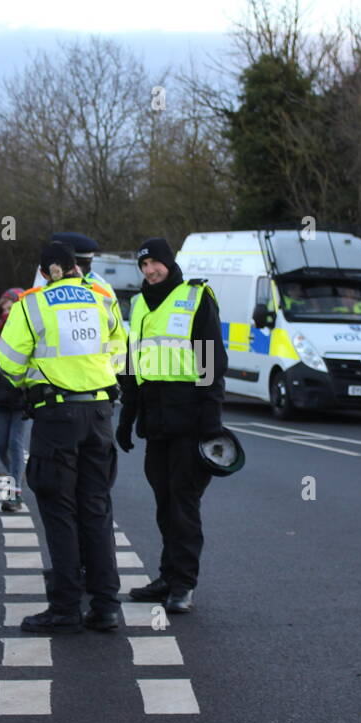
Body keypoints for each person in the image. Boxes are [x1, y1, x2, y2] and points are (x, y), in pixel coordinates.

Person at [0, 239, 126, 633]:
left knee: (59, 509)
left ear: (48, 270)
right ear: (75, 267)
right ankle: (105, 606)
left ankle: (66, 606)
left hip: (56, 417)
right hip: (100, 413)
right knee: (97, 508)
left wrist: (30, 381)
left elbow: (8, 360)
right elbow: (121, 352)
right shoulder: (102, 298)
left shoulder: (32, 303)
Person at [116, 237, 227, 614]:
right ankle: (168, 575)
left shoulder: (196, 297)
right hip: (155, 420)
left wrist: (212, 421)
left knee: (183, 505)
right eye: (143, 265)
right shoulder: (140, 304)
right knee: (164, 503)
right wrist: (126, 418)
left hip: (190, 420)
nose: (150, 271)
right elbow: (132, 365)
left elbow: (211, 363)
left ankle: (183, 585)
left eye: (155, 263)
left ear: (169, 262)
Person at [0, 287, 29, 512]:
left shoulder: (25, 330)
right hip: (0, 396)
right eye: (4, 308)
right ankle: (16, 476)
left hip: (21, 396)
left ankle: (14, 491)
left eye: (11, 307)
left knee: (15, 444)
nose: (7, 312)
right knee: (2, 445)